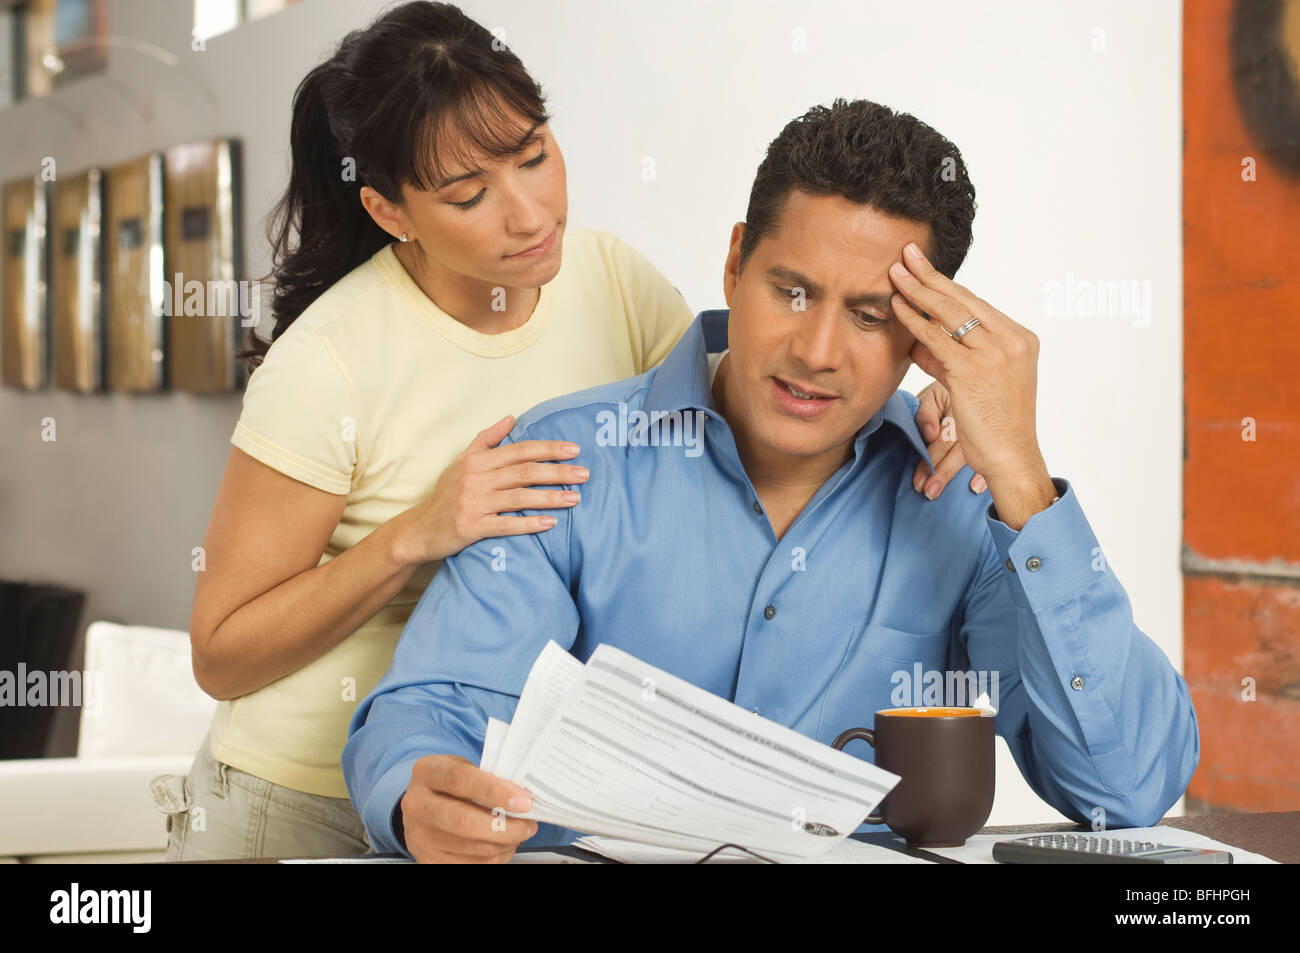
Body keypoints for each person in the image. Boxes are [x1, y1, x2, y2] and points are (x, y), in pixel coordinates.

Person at [342, 97, 1200, 863]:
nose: (817, 352)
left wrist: (1019, 470)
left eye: (870, 315)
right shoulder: (567, 458)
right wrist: (420, 796)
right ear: (735, 263)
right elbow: (434, 711)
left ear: (927, 333)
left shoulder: (969, 503)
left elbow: (1122, 788)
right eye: (792, 291)